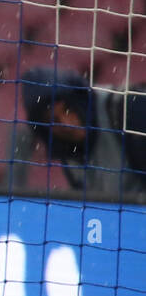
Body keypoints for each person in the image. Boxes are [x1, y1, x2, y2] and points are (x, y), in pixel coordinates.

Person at [19, 67, 146, 200]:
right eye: (53, 121)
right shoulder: (65, 150)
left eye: (68, 110)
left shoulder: (128, 108)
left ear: (80, 100)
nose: (67, 124)